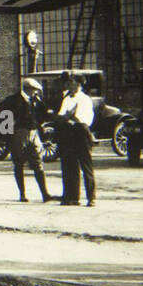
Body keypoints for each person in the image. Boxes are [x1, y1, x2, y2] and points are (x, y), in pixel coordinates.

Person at [0, 78, 53, 203]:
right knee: (19, 163)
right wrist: (7, 134)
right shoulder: (13, 100)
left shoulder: (35, 100)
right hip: (19, 133)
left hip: (34, 133)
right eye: (34, 90)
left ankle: (45, 194)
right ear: (27, 89)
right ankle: (22, 194)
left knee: (38, 162)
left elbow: (43, 115)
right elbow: (0, 113)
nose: (36, 93)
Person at [57, 71, 96, 207]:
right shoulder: (67, 98)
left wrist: (68, 117)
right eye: (69, 82)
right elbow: (61, 116)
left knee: (86, 166)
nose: (70, 85)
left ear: (79, 84)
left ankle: (91, 198)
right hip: (69, 134)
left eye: (72, 82)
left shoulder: (84, 99)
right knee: (69, 165)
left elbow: (78, 118)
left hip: (81, 132)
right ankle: (72, 197)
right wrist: (67, 116)